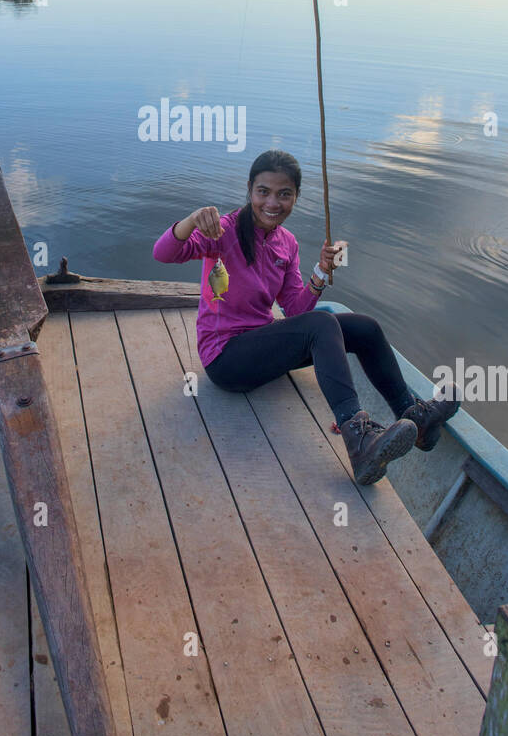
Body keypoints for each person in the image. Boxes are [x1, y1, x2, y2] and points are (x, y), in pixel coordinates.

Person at [152, 149, 460, 486]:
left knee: (365, 328)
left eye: (284, 194)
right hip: (226, 360)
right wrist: (191, 221)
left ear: (296, 197)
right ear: (250, 190)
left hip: (262, 348)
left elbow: (296, 311)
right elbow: (164, 253)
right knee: (322, 324)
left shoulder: (287, 243)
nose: (273, 203)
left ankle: (415, 417)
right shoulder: (223, 230)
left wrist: (320, 274)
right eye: (263, 192)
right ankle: (358, 440)